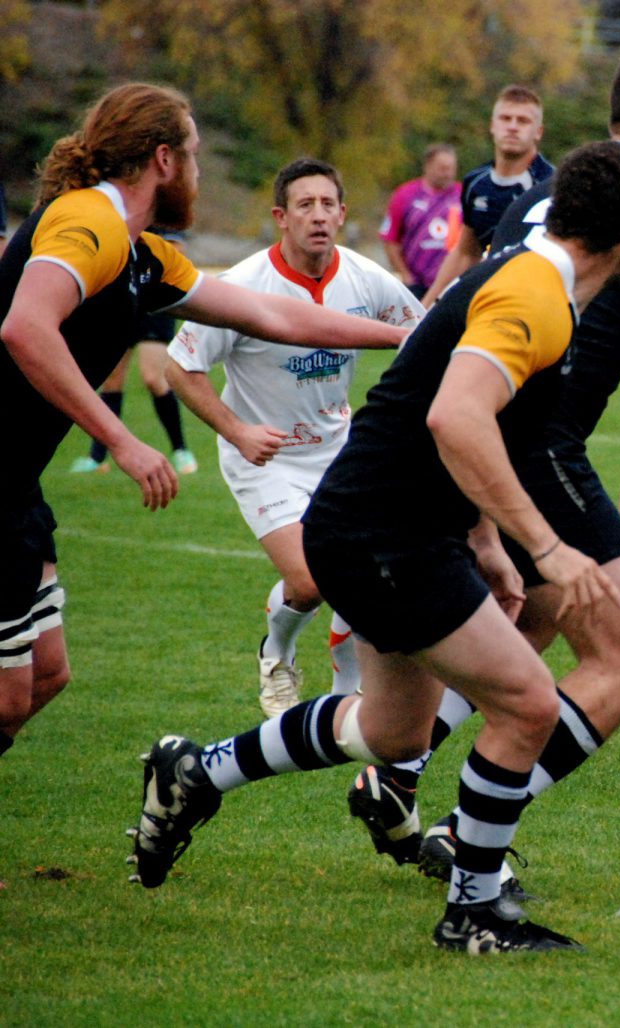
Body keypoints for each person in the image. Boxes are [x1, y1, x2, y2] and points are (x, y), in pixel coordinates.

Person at [128, 141, 620, 956]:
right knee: (527, 703)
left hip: (380, 524)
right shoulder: (537, 295)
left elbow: (439, 400)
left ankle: (196, 772)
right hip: (386, 535)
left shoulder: (530, 277)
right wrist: (546, 549)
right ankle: (473, 912)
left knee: (395, 732)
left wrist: (483, 535)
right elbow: (455, 417)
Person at [350, 45, 620, 880]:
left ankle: (395, 773)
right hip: (535, 447)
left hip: (470, 434)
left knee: (538, 620)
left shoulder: (550, 197)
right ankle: (468, 828)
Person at [0, 83, 408, 760]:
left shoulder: (144, 255)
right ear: (163, 159)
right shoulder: (90, 222)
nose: (197, 169)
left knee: (46, 676)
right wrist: (123, 440)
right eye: (192, 154)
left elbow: (275, 316)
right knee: (10, 692)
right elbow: (24, 327)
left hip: (19, 488)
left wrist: (403, 338)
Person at [167, 158, 424, 716]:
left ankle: (342, 699)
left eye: (328, 204)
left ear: (343, 214)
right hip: (267, 457)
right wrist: (236, 431)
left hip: (340, 452)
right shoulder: (239, 287)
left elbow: (419, 337)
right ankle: (275, 653)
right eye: (305, 205)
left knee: (366, 572)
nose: (318, 216)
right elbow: (179, 367)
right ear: (281, 217)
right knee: (309, 582)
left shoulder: (364, 278)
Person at [69, 229, 198, 476]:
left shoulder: (161, 206)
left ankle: (181, 450)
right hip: (124, 301)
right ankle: (98, 457)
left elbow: (177, 251)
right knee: (112, 381)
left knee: (153, 378)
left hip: (154, 305)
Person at [419, 85, 553, 307]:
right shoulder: (475, 183)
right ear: (492, 125)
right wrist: (424, 307)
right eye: (505, 118)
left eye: (523, 121)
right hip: (485, 296)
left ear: (538, 131)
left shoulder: (551, 185)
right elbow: (466, 253)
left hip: (533, 300)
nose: (512, 127)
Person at [378, 143, 461, 299]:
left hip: (453, 283)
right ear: (428, 166)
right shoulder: (406, 194)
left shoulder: (462, 195)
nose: (448, 174)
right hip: (416, 284)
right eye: (442, 168)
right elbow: (390, 239)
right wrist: (405, 275)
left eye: (451, 168)